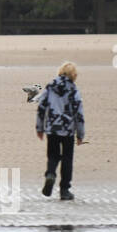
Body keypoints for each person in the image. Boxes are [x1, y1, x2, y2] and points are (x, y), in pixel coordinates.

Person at [37, 61, 87, 200]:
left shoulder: (50, 86)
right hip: (68, 130)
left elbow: (42, 106)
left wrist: (39, 127)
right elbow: (79, 113)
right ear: (74, 75)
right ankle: (64, 190)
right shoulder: (73, 89)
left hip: (52, 128)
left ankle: (50, 174)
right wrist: (81, 133)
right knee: (67, 159)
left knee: (52, 155)